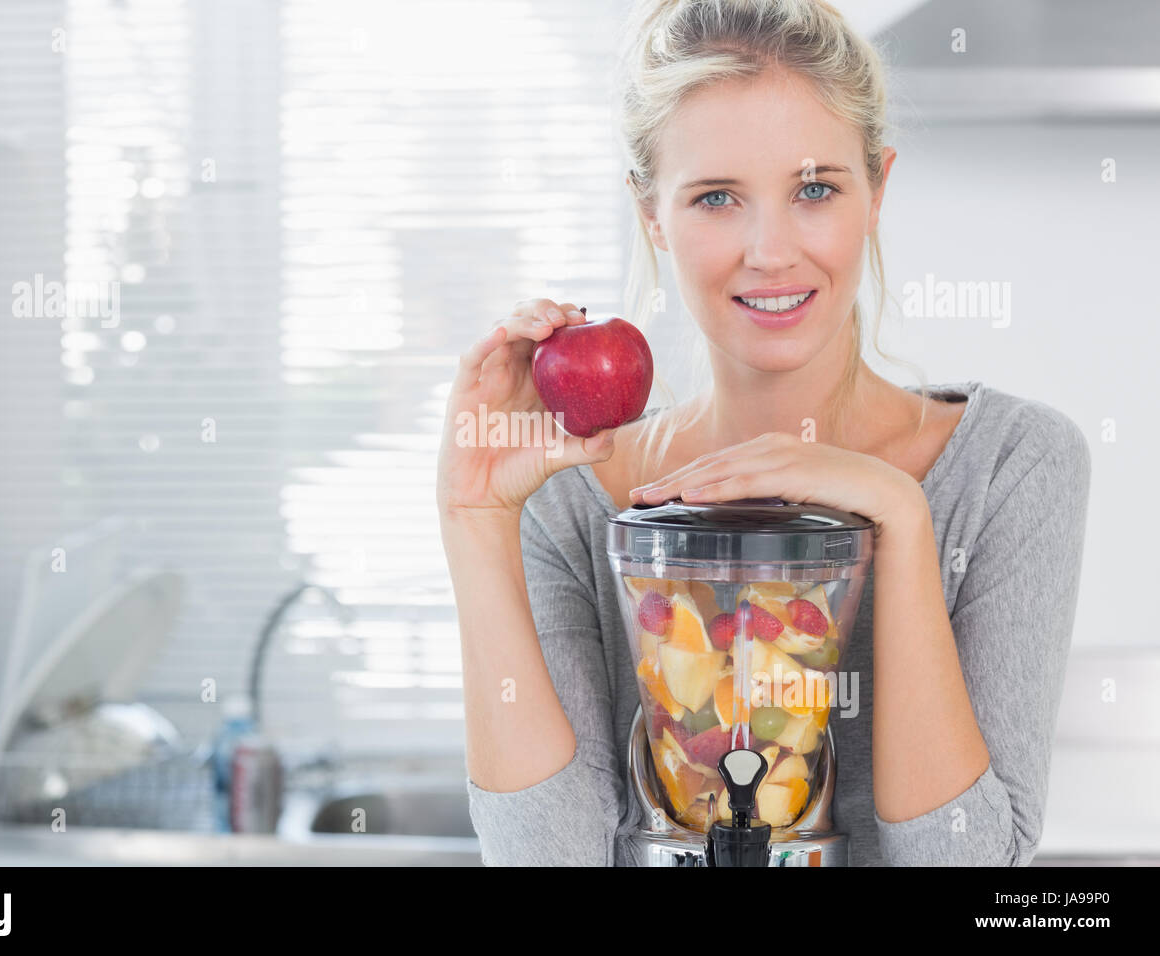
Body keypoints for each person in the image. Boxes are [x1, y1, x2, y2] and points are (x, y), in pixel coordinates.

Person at [435, 0, 1091, 866]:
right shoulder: (575, 490)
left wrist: (898, 517)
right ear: (651, 216)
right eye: (715, 197)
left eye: (814, 188)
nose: (770, 251)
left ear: (877, 191)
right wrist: (475, 520)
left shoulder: (1011, 467)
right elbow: (549, 858)